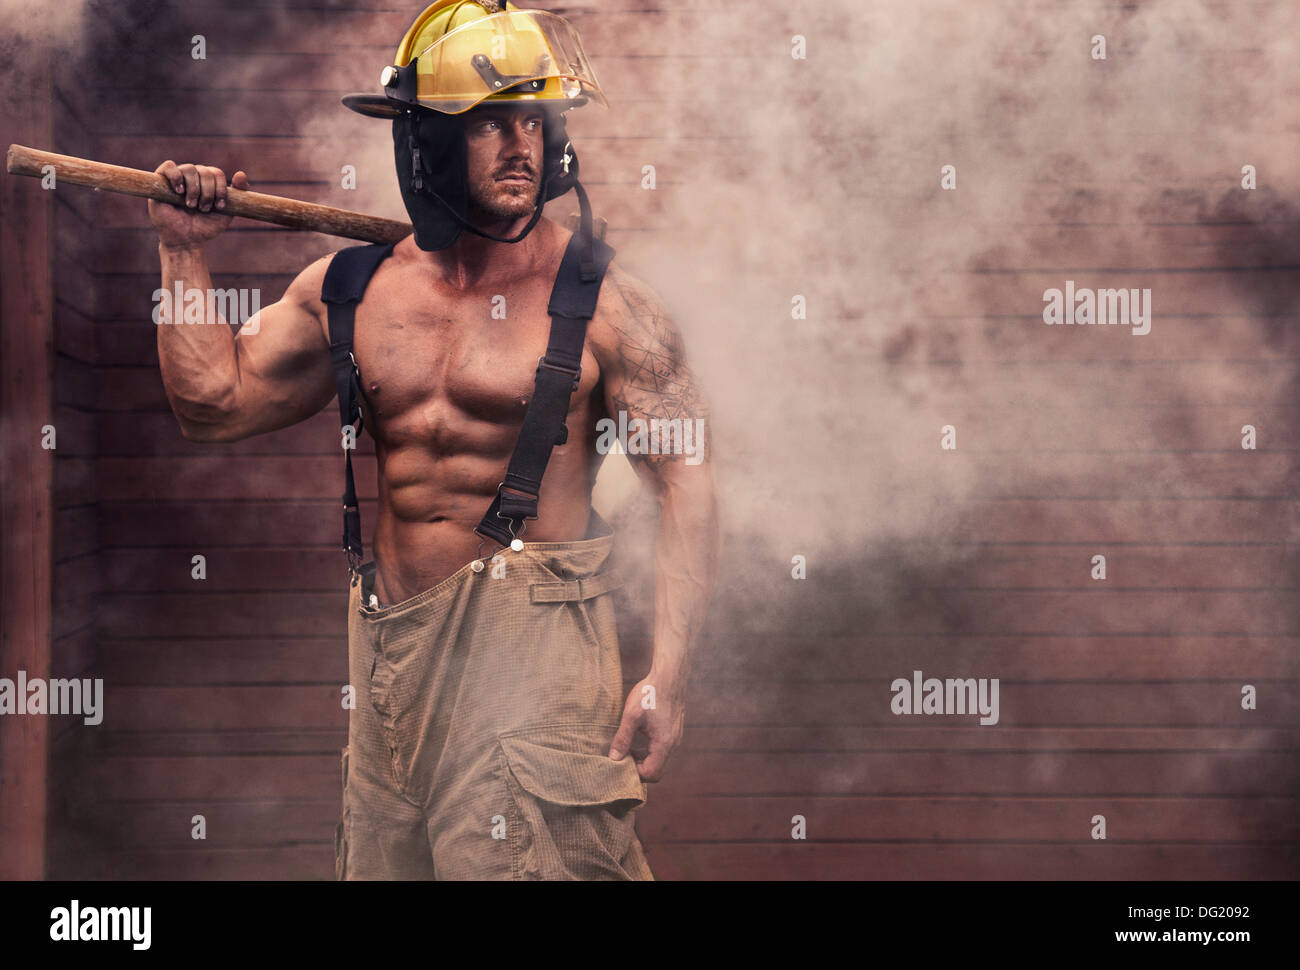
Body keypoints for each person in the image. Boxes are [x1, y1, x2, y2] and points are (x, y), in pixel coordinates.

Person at [147, 0, 719, 879]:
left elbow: (687, 478)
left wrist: (669, 676)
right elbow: (211, 402)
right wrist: (184, 253)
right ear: (428, 144)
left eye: (536, 118)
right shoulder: (354, 291)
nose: (521, 144)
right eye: (489, 122)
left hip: (539, 676)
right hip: (391, 675)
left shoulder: (612, 306)